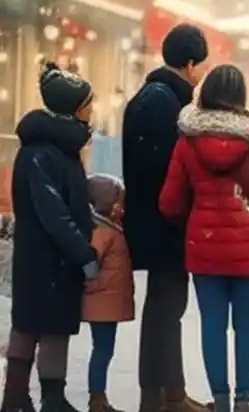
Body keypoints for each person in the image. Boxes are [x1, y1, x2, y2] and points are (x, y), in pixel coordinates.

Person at [159, 65, 249, 412]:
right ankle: (244, 401)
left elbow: (170, 202)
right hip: (246, 247)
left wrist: (191, 216)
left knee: (213, 325)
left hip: (203, 247)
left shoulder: (188, 140)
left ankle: (219, 399)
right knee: (246, 323)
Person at [123, 24, 209, 412]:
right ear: (189, 64)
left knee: (163, 307)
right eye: (200, 66)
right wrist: (177, 217)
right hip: (165, 224)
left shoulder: (149, 97)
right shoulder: (164, 104)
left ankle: (165, 392)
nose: (201, 74)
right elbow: (166, 172)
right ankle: (161, 397)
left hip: (153, 221)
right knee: (166, 308)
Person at [2, 63, 99, 412]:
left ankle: (49, 397)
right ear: (74, 108)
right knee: (32, 326)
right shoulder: (43, 153)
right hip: (47, 258)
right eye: (89, 103)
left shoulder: (58, 149)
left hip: (50, 258)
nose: (93, 110)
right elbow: (54, 213)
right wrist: (82, 253)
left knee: (49, 325)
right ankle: (16, 398)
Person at [82, 175, 135, 412]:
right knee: (102, 350)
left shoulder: (110, 228)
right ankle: (97, 399)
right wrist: (95, 288)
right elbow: (90, 265)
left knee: (104, 350)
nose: (121, 206)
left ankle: (99, 398)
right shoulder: (102, 232)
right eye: (118, 201)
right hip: (103, 302)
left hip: (107, 301)